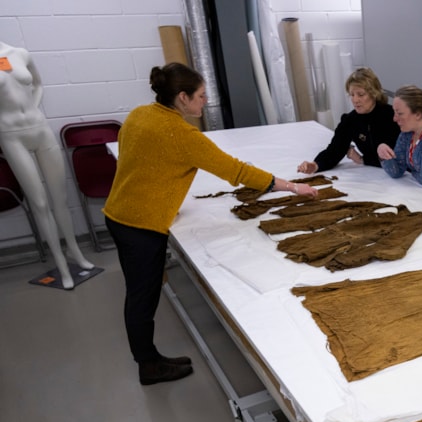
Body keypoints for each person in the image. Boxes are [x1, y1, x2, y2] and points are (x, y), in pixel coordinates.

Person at [103, 62, 317, 385]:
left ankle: (146, 358)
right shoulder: (183, 135)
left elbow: (137, 160)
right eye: (201, 96)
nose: (205, 102)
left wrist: (161, 198)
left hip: (116, 214)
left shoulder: (138, 115)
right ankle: (147, 364)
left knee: (138, 292)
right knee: (141, 297)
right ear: (182, 97)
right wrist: (291, 186)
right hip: (142, 228)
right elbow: (236, 172)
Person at [0, 42, 94, 289]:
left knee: (60, 198)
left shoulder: (19, 53)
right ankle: (61, 263)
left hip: (40, 128)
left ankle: (75, 252)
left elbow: (39, 84)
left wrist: (34, 106)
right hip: (10, 134)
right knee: (40, 203)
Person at [296, 67, 399, 173]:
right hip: (373, 174)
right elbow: (335, 149)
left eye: (361, 94)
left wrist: (362, 160)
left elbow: (398, 157)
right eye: (352, 95)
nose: (355, 100)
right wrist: (315, 165)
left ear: (374, 94)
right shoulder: (350, 120)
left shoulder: (393, 116)